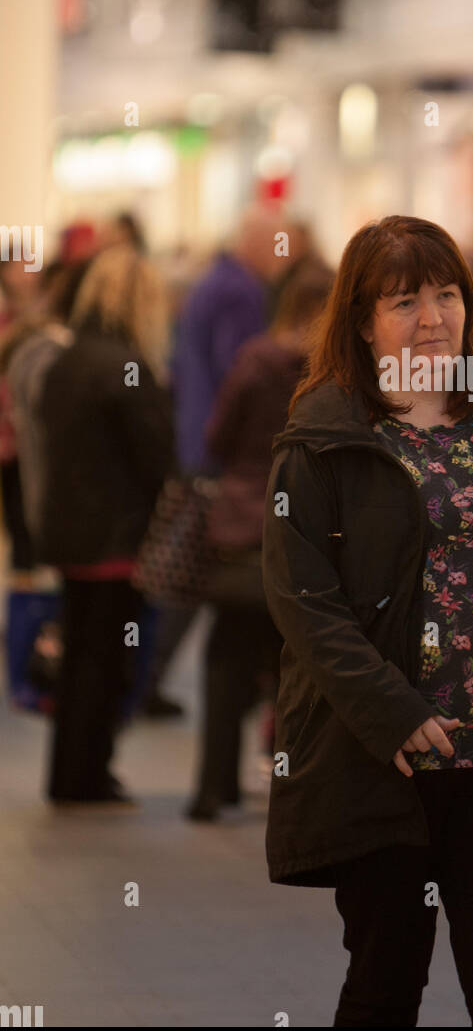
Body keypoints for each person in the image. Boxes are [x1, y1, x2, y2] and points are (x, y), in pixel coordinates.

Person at [262, 214, 473, 1027]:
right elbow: (302, 601)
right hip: (385, 758)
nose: (433, 319)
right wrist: (392, 711)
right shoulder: (324, 437)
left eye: (447, 294)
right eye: (404, 301)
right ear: (361, 320)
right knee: (385, 984)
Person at [186, 261, 335, 821]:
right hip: (307, 535)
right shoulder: (336, 374)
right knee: (298, 671)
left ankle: (212, 788)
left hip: (243, 529)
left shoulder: (255, 357)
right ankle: (295, 793)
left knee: (225, 660)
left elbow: (217, 437)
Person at [37, 246, 174, 807]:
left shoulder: (68, 358)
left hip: (70, 530)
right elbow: (156, 456)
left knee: (79, 658)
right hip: (117, 536)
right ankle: (89, 774)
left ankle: (70, 774)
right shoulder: (129, 365)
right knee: (108, 658)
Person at [143, 201, 290, 718]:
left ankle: (148, 674)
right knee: (196, 574)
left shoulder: (213, 283)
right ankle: (149, 674)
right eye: (278, 244)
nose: (281, 256)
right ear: (256, 243)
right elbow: (240, 369)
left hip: (198, 443)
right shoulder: (240, 290)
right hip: (215, 452)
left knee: (187, 571)